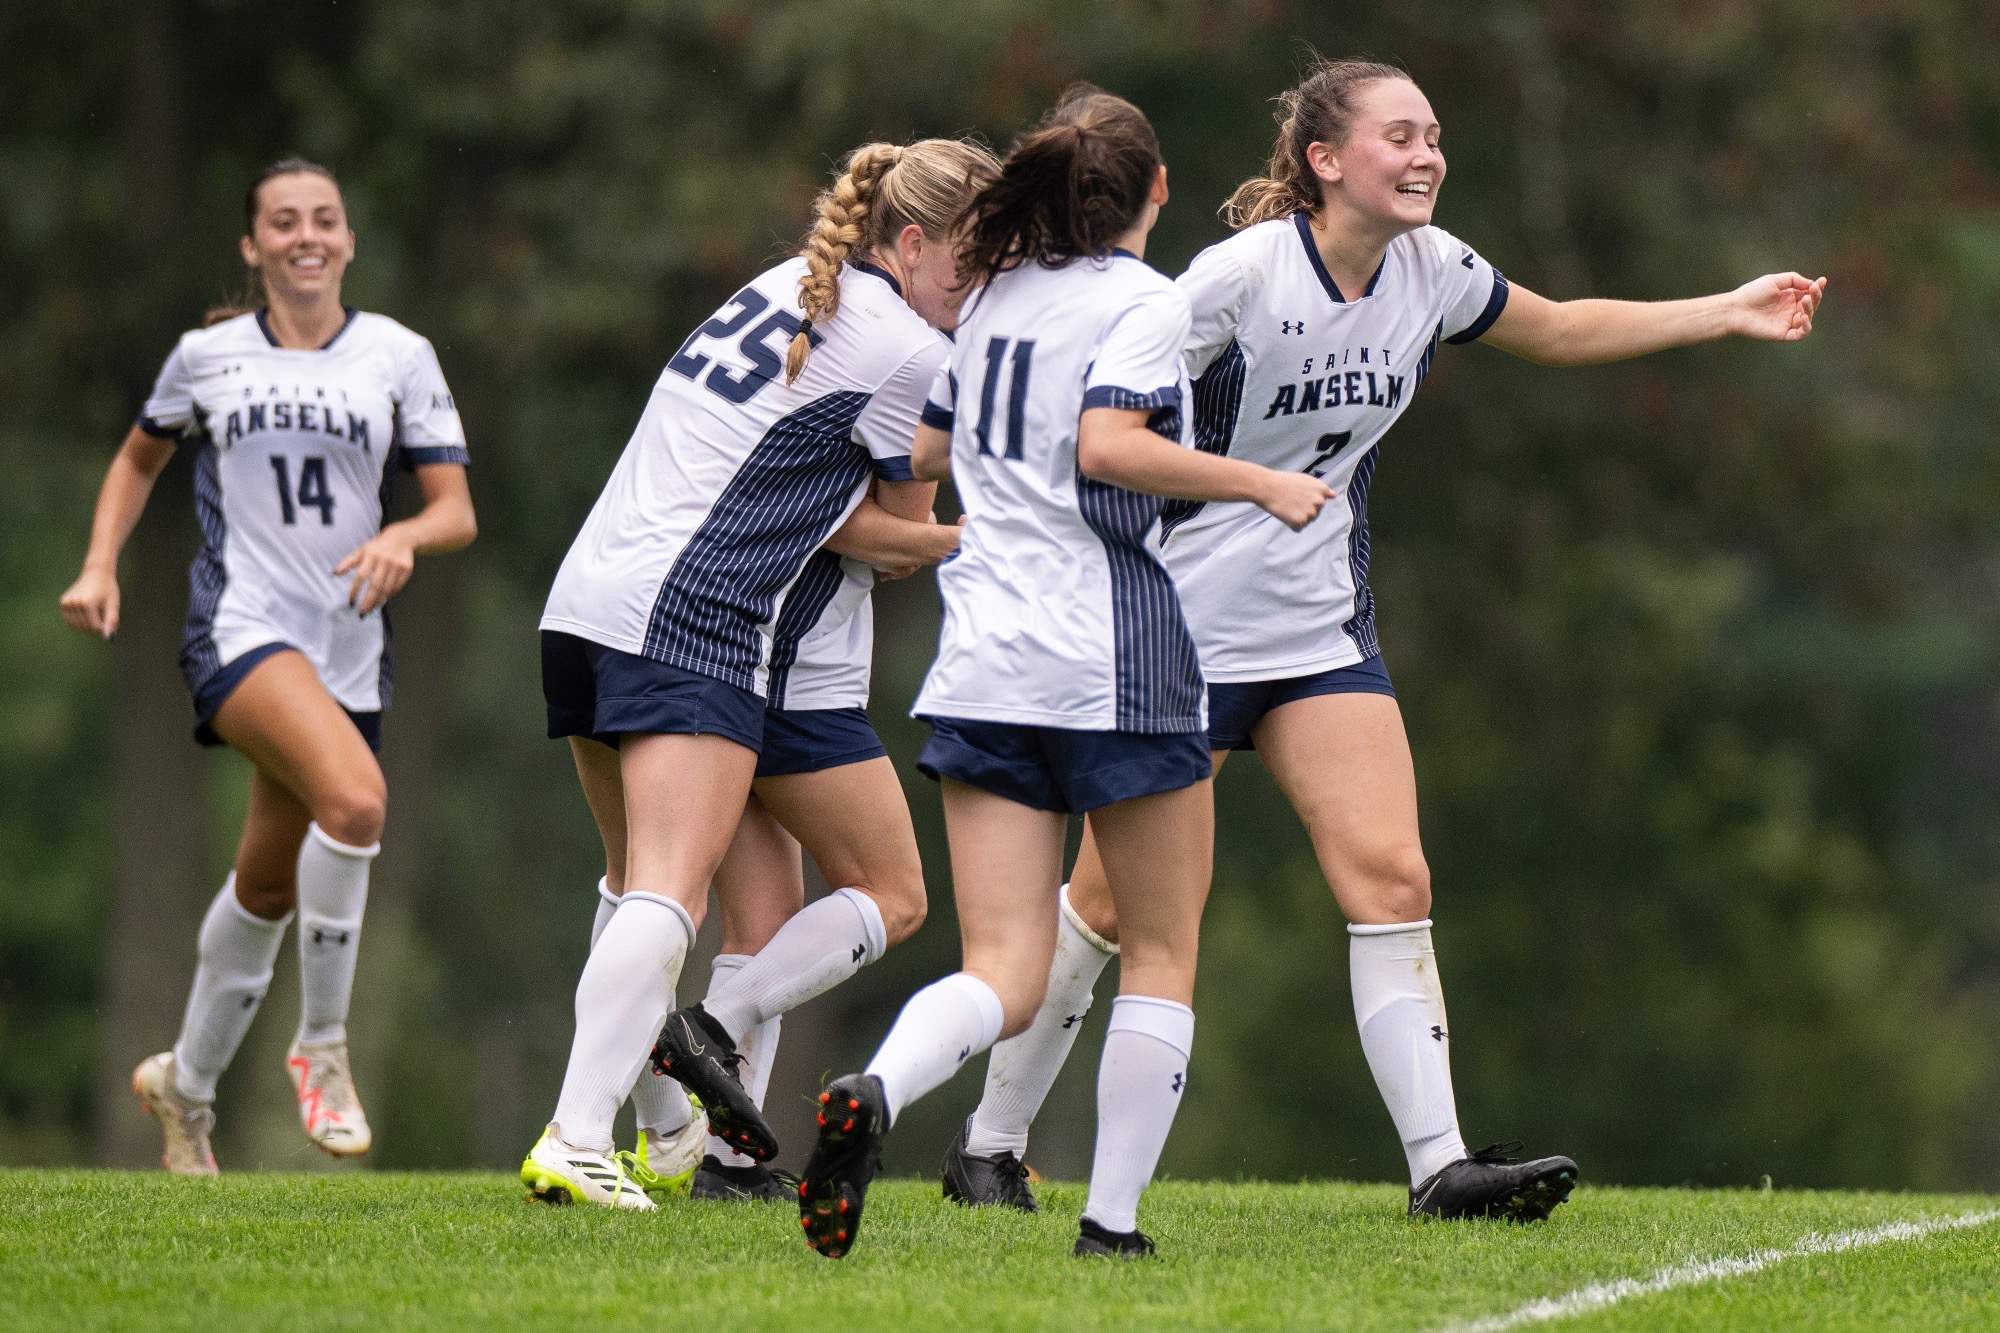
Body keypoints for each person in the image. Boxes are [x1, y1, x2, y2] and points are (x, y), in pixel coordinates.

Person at [945, 57, 1826, 1222]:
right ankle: (987, 1145)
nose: (1426, 157)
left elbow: (1556, 330)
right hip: (1175, 640)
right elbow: (1098, 431)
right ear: (1323, 161)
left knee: (1391, 875)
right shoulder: (1231, 279)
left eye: (1433, 137)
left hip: (1314, 634)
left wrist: (1723, 309)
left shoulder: (1432, 267)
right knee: (1107, 911)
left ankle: (1438, 1166)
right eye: (1399, 137)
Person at [795, 87, 1333, 1261]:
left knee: (1003, 970)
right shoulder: (1146, 301)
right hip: (1118, 664)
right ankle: (1112, 1224)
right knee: (1160, 948)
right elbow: (1108, 445)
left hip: (983, 664)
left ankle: (876, 1094)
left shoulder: (988, 302)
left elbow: (922, 449)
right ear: (1155, 192)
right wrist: (1259, 483)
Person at [519, 138, 994, 1210]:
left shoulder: (787, 281)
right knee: (670, 890)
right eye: (975, 265)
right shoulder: (910, 353)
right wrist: (1007, 534)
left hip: (587, 599)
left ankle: (676, 1137)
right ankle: (577, 1133)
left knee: (640, 880)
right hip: (692, 616)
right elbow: (884, 532)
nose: (985, 292)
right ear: (910, 244)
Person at [60, 159, 477, 1176]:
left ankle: (186, 1087)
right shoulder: (208, 357)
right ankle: (322, 1048)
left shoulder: (398, 354)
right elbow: (137, 459)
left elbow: (455, 508)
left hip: (348, 648)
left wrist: (403, 540)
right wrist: (98, 563)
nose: (305, 235)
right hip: (239, 630)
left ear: (346, 240)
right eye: (282, 221)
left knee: (266, 881)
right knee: (359, 803)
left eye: (323, 219)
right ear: (252, 245)